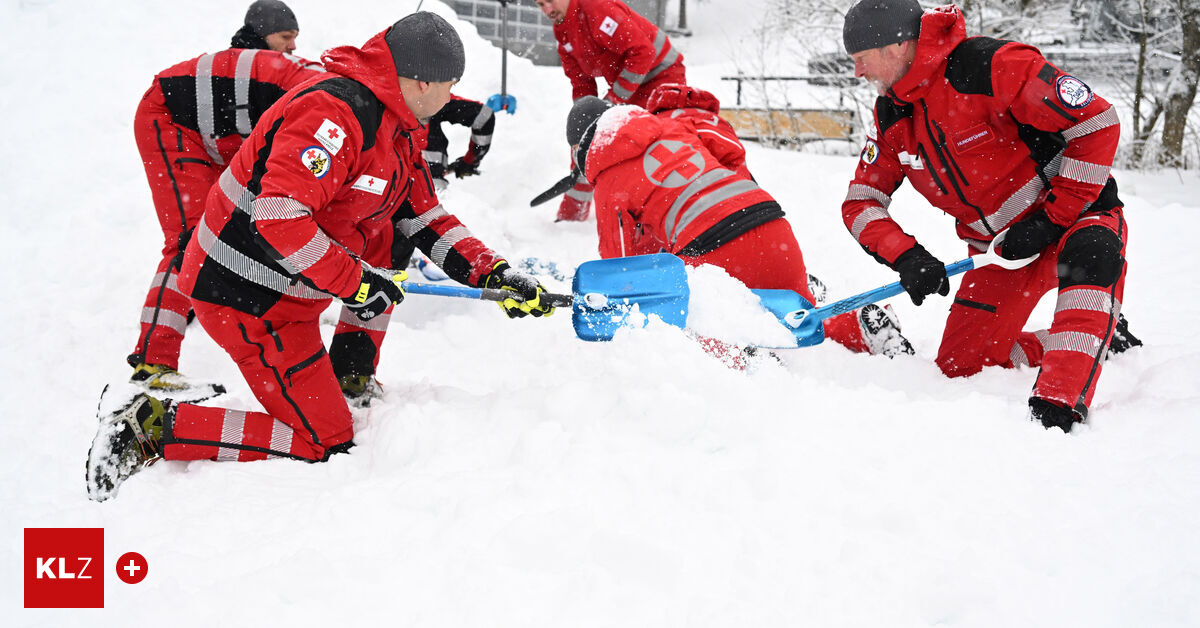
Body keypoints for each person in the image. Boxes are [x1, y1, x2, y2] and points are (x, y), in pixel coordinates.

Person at [87, 12, 556, 501]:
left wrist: (496, 274)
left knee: (333, 411)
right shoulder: (334, 115)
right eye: (450, 85)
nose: (451, 95)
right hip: (242, 296)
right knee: (324, 441)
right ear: (422, 82)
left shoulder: (398, 128)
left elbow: (423, 217)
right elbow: (279, 216)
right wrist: (357, 283)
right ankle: (151, 426)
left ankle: (337, 375)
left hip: (289, 300)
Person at [839, 0, 1140, 433]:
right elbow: (860, 201)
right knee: (961, 368)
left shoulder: (991, 67)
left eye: (861, 59)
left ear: (896, 46)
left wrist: (1052, 219)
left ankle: (1057, 403)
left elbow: (1097, 122)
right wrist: (907, 256)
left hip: (1076, 216)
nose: (858, 73)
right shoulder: (892, 117)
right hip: (1001, 251)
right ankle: (1101, 337)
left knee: (1093, 257)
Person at [566, 96, 913, 360]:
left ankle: (748, 364)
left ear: (583, 147)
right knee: (801, 317)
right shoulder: (672, 127)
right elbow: (730, 152)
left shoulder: (608, 178)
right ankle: (860, 326)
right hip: (768, 221)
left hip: (712, 249)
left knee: (704, 334)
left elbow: (622, 268)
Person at [126, 0, 321, 394]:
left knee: (231, 230)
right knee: (190, 240)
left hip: (212, 140)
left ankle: (196, 295)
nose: (293, 46)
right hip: (167, 120)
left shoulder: (264, 74)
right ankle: (153, 363)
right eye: (286, 37)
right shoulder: (279, 70)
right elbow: (322, 84)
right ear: (262, 34)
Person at [536, 0, 686, 221]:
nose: (547, 9)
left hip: (660, 75)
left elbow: (642, 52)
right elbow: (580, 80)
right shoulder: (563, 30)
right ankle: (572, 216)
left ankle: (657, 215)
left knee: (648, 145)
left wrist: (614, 99)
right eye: (540, 4)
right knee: (588, 142)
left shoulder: (596, 9)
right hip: (629, 81)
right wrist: (584, 121)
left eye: (550, 1)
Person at [419, 93, 496, 190]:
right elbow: (484, 116)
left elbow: (484, 116)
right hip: (430, 186)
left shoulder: (404, 98)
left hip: (407, 186)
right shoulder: (428, 96)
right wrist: (470, 160)